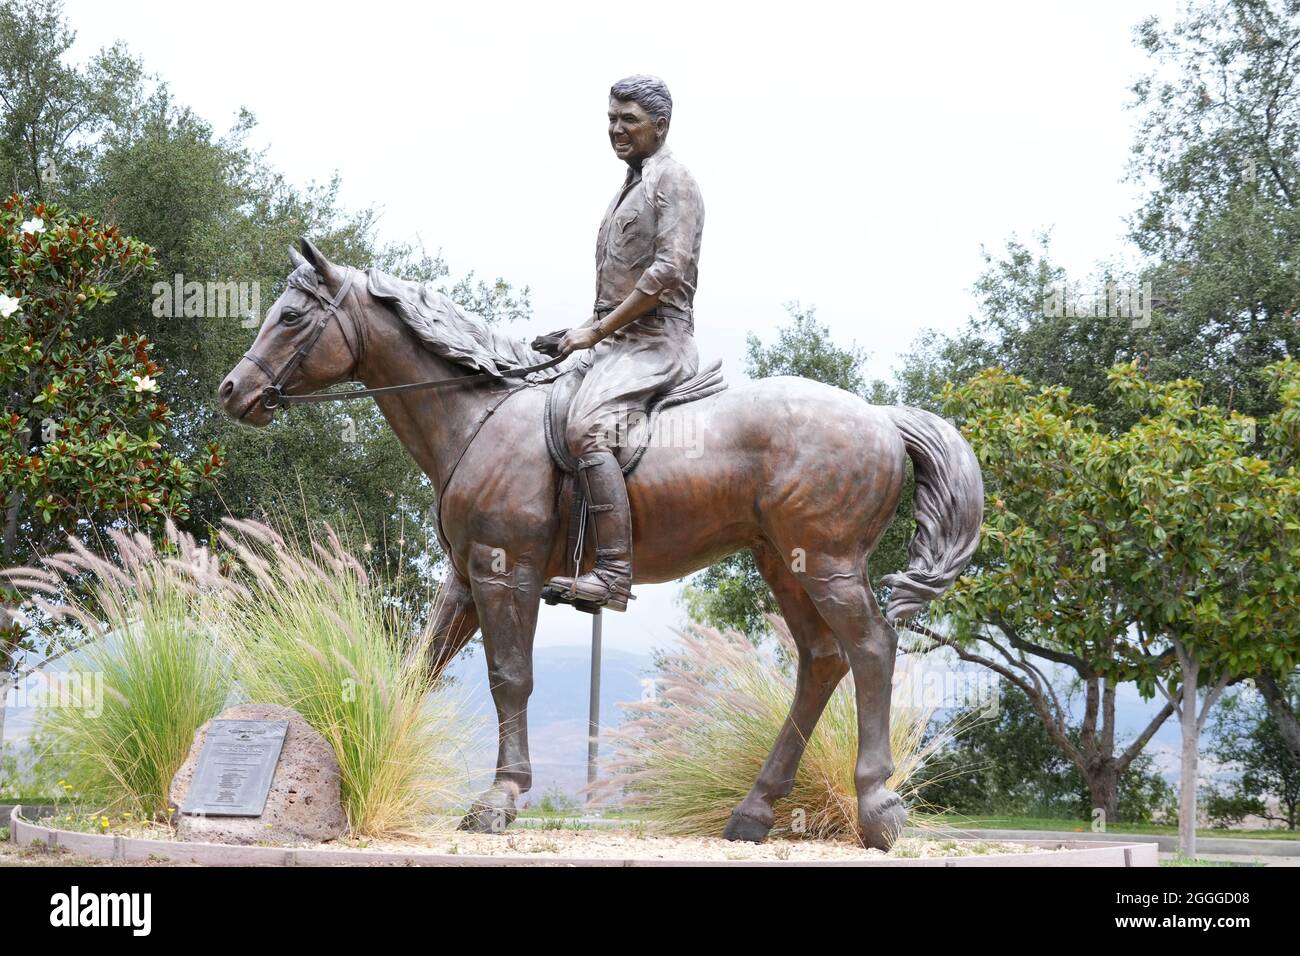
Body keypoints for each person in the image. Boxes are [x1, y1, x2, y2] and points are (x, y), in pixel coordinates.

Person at [543, 74, 704, 611]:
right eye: (611, 118)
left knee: (590, 428)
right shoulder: (629, 187)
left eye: (628, 120)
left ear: (660, 125)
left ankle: (613, 574)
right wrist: (578, 334)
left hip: (657, 343)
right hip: (614, 343)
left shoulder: (673, 181)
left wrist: (596, 331)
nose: (616, 129)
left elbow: (665, 274)